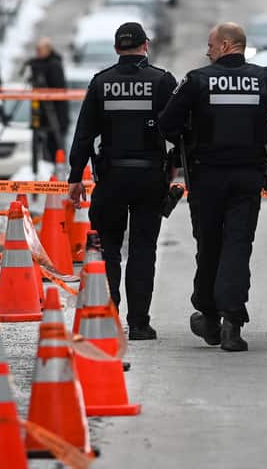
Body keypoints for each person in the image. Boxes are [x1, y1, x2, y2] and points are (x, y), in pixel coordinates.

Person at [158, 22, 267, 352]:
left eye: (210, 45)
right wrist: (261, 137)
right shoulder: (264, 78)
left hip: (206, 176)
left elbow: (167, 123)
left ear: (225, 45)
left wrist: (189, 141)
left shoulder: (196, 80)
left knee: (209, 245)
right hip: (247, 176)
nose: (207, 51)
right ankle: (232, 324)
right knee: (238, 245)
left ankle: (208, 315)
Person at [68, 22, 178, 340]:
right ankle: (140, 324)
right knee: (143, 249)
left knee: (109, 250)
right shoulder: (162, 81)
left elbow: (84, 134)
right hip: (149, 178)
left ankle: (108, 316)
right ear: (145, 45)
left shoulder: (101, 82)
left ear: (117, 49)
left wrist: (75, 177)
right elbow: (178, 130)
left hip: (112, 178)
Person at [25, 37, 69, 162]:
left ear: (48, 49)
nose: (38, 52)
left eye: (40, 49)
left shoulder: (54, 65)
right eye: (37, 49)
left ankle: (58, 167)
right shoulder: (39, 63)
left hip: (56, 115)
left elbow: (57, 87)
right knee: (43, 147)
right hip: (42, 115)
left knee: (55, 148)